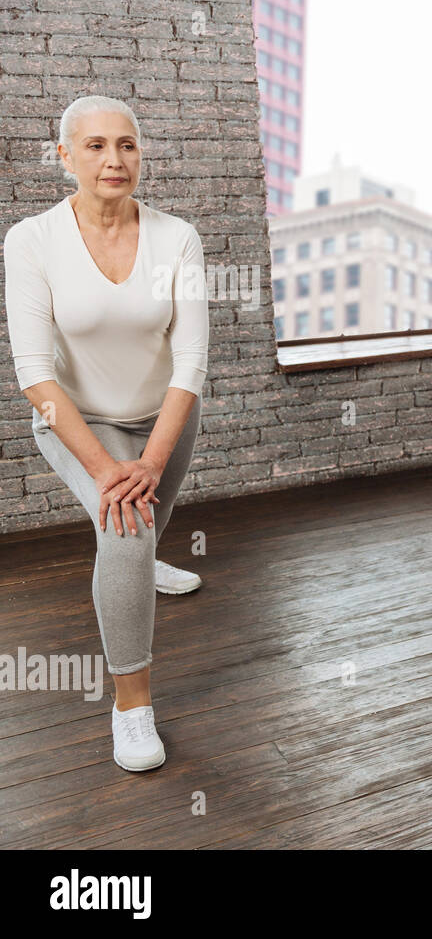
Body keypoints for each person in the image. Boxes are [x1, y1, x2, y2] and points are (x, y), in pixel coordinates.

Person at [3, 95, 209, 772]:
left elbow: (191, 362)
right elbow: (35, 375)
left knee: (142, 527)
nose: (114, 159)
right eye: (94, 146)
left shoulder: (175, 236)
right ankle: (132, 708)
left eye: (127, 144)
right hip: (76, 421)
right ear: (65, 157)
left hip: (165, 421)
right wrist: (109, 471)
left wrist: (150, 460)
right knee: (125, 529)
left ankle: (146, 562)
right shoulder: (32, 239)